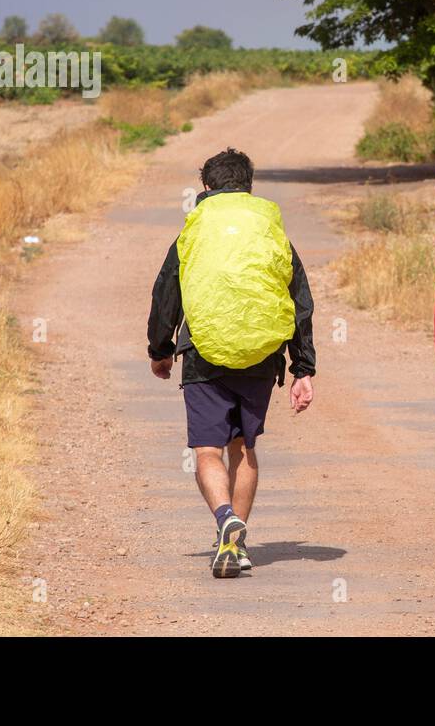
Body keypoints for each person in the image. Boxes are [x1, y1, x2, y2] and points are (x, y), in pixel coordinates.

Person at [147, 148, 316, 578]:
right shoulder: (270, 230)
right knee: (244, 448)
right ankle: (237, 544)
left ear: (206, 186)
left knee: (208, 451)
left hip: (204, 353)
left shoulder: (194, 230)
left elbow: (167, 291)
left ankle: (225, 520)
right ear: (248, 185)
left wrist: (160, 350)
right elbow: (299, 299)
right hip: (260, 355)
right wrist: (303, 367)